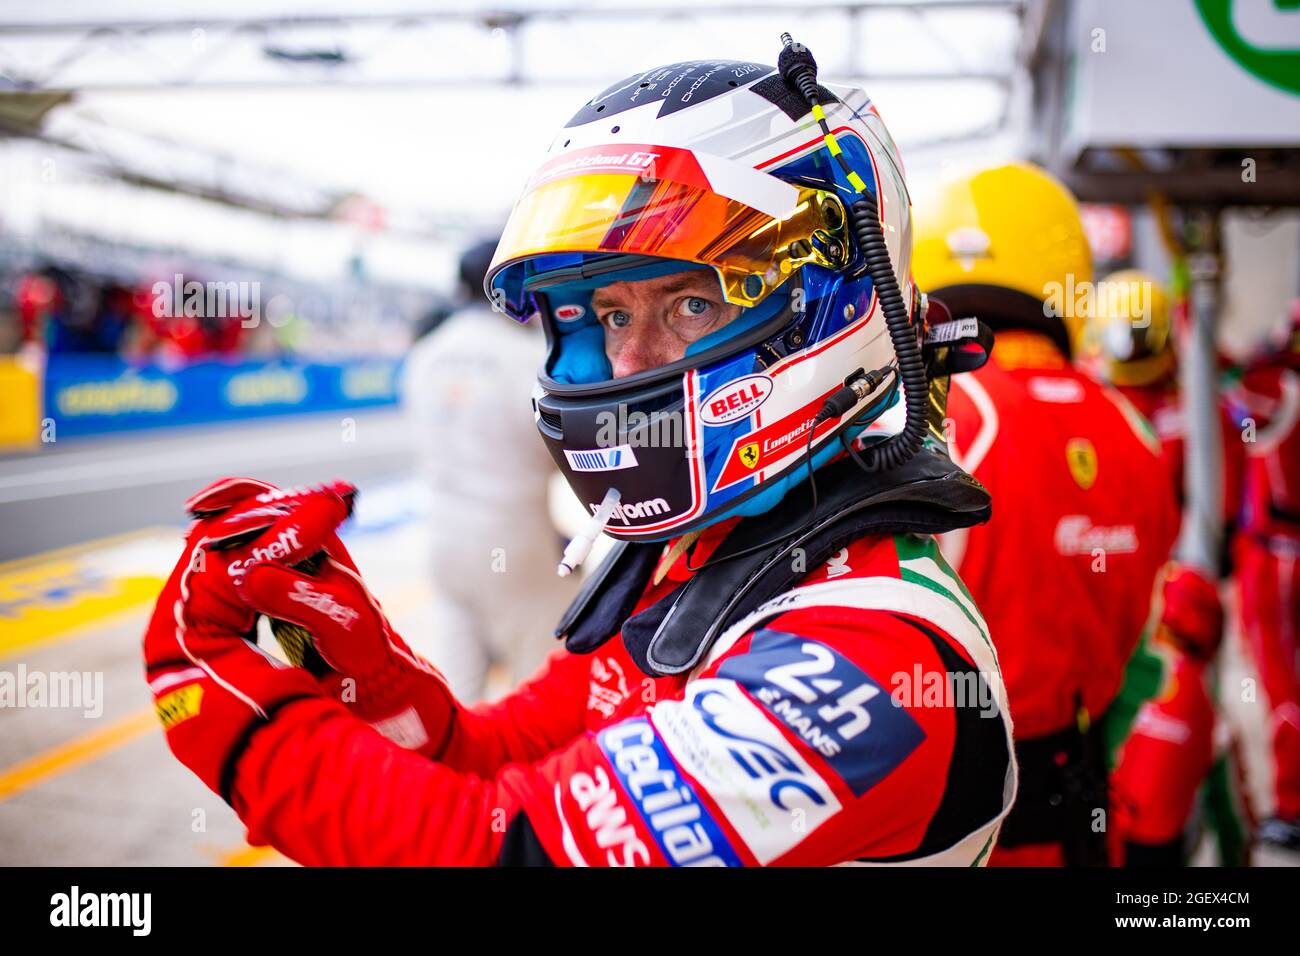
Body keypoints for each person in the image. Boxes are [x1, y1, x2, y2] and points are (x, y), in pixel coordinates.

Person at [142, 41, 1015, 866]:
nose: (628, 363)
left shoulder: (877, 656)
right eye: (609, 316)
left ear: (827, 300)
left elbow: (498, 848)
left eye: (690, 305)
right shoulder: (706, 562)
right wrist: (368, 678)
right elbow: (488, 759)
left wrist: (227, 712)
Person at [912, 163, 1178, 866]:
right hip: (1083, 824)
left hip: (952, 835)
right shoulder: (1132, 429)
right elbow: (1148, 653)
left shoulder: (935, 420)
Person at [1083, 270, 1251, 865]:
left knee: (1180, 736)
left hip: (1168, 602)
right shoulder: (1103, 400)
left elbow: (1220, 509)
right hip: (1132, 599)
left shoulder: (1191, 408)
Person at [400, 238, 578, 699]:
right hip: (514, 533)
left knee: (459, 689)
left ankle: (449, 768)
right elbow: (560, 448)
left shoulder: (426, 354)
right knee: (536, 686)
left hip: (443, 535)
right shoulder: (524, 356)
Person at [1231, 302, 1300, 851]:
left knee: (1280, 682)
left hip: (1279, 554)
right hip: (1276, 546)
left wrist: (1188, 308)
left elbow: (1224, 377)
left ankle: (1292, 804)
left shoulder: (1276, 389)